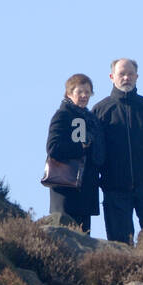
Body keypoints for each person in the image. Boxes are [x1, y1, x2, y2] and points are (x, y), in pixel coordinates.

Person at [91, 58, 143, 244]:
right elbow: (93, 150)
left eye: (130, 74)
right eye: (121, 74)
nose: (126, 78)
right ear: (112, 77)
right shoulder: (100, 111)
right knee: (120, 245)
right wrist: (102, 178)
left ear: (137, 77)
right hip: (115, 189)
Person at [45, 73, 106, 234]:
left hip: (86, 189)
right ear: (69, 93)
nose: (84, 96)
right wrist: (81, 147)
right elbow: (53, 147)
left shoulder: (92, 119)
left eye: (88, 92)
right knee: (64, 236)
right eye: (80, 92)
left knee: (85, 236)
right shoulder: (62, 115)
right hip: (66, 189)